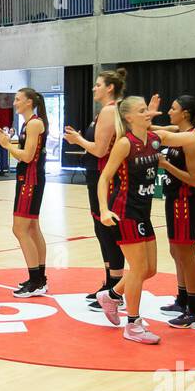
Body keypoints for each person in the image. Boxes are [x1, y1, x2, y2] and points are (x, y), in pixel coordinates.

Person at [95, 96, 195, 343]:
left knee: (150, 270)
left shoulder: (156, 139)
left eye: (147, 109)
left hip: (143, 211)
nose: (148, 113)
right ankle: (133, 324)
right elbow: (104, 178)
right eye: (142, 110)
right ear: (129, 117)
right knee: (139, 268)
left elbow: (191, 137)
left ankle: (110, 295)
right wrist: (103, 209)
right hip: (124, 210)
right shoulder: (125, 143)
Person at [63, 69, 127, 305]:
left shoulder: (110, 110)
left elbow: (100, 150)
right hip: (97, 175)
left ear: (110, 88)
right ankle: (109, 283)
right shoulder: (105, 111)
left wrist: (78, 140)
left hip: (106, 177)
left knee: (109, 231)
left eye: (98, 84)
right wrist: (81, 139)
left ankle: (115, 288)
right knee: (102, 231)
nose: (94, 88)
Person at [156, 94, 195, 328]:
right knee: (175, 251)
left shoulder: (191, 140)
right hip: (172, 199)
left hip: (186, 202)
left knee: (187, 254)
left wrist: (166, 165)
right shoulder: (179, 135)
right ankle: (181, 298)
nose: (170, 111)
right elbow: (157, 130)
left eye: (173, 108)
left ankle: (194, 309)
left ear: (185, 114)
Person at [0, 88, 48, 297]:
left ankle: (35, 280)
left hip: (30, 180)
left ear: (29, 102)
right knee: (32, 228)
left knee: (20, 229)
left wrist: (5, 144)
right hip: (29, 179)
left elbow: (27, 156)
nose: (14, 103)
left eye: (17, 99)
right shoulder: (30, 123)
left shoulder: (34, 123)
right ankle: (40, 279)